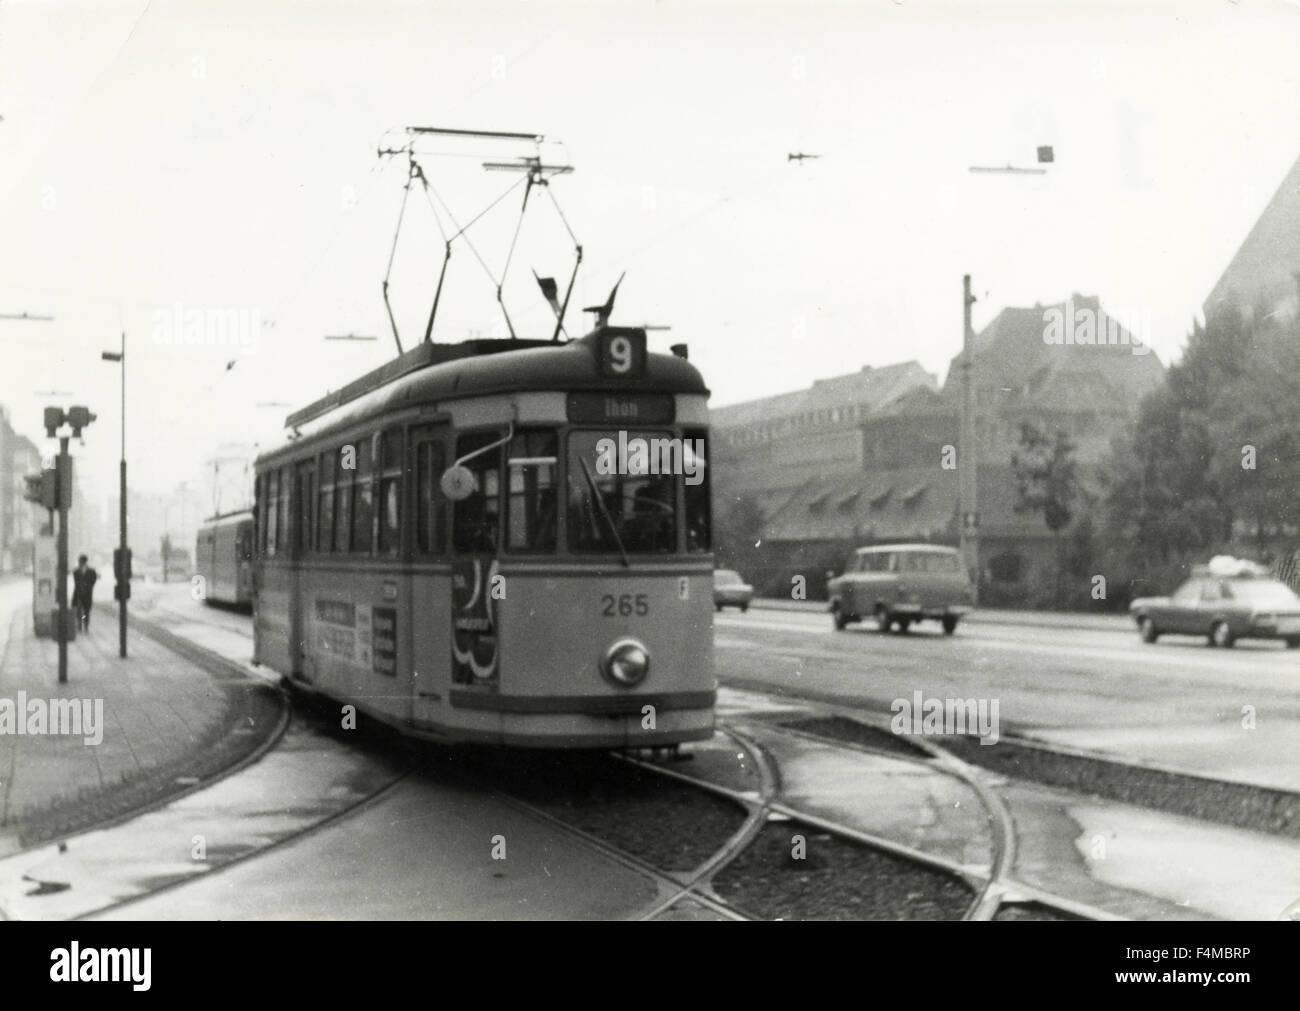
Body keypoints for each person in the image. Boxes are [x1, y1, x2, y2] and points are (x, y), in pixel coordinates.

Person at [71, 554, 98, 631]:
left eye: (81, 561)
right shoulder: (76, 571)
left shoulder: (91, 571)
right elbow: (76, 582)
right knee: (79, 611)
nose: (80, 563)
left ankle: (85, 625)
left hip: (87, 594)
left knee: (86, 611)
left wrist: (87, 586)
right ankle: (80, 625)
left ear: (84, 562)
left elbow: (93, 581)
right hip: (78, 594)